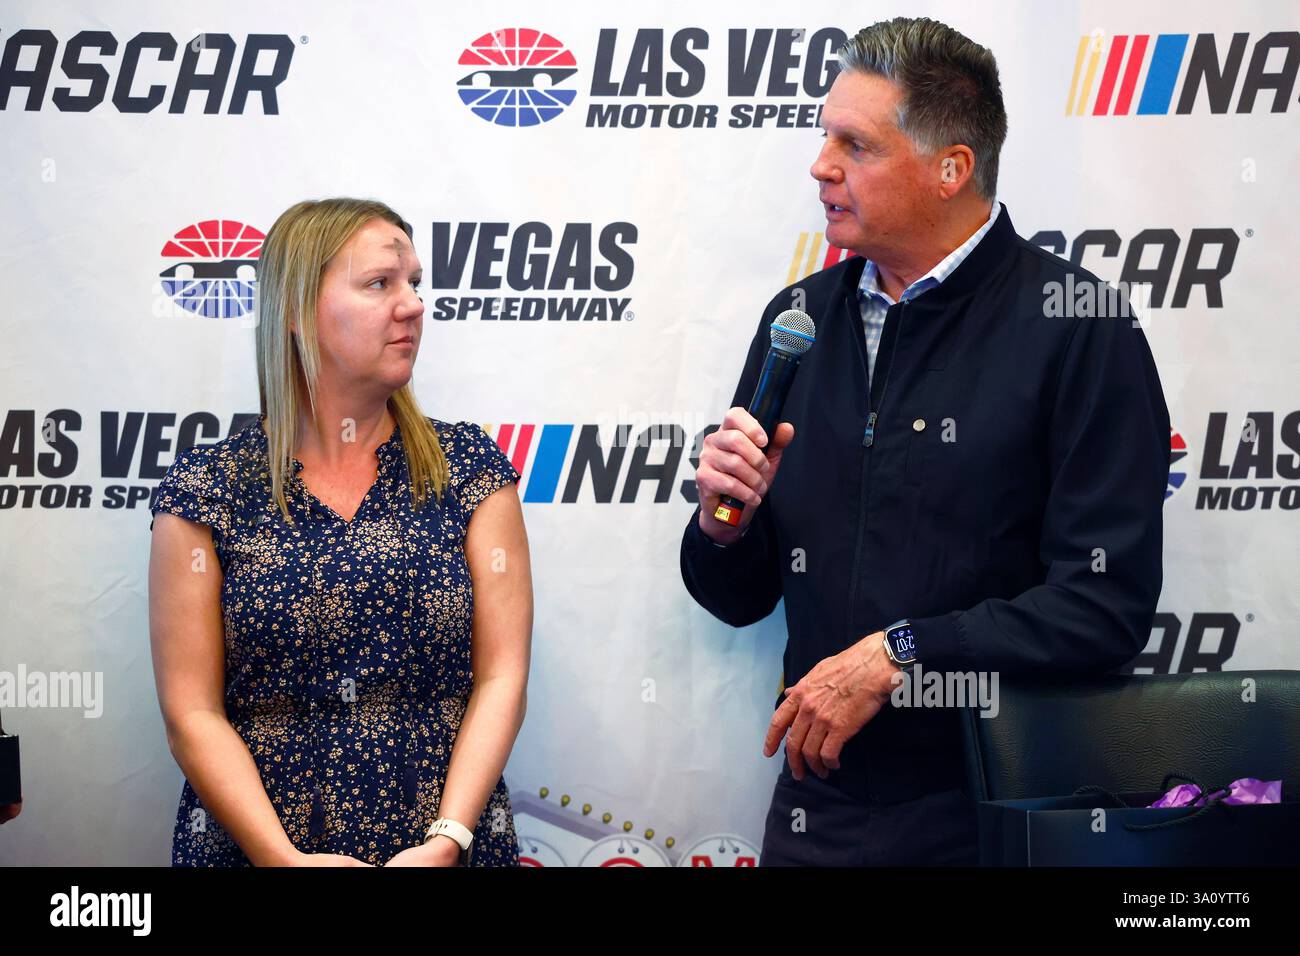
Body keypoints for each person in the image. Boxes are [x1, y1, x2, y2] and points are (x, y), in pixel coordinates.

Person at [680, 18, 1169, 866]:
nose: (821, 164)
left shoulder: (1078, 327)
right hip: (819, 805)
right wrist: (722, 530)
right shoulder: (801, 320)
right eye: (824, 135)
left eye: (854, 144)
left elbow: (1105, 606)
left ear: (952, 169)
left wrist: (902, 653)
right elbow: (740, 594)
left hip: (998, 807)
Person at [148, 198, 532, 866]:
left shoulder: (469, 470)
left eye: (414, 283)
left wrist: (449, 840)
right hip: (257, 850)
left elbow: (503, 677)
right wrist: (282, 859)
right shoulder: (207, 489)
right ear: (296, 311)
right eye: (381, 283)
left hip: (446, 846)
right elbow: (192, 714)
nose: (412, 304)